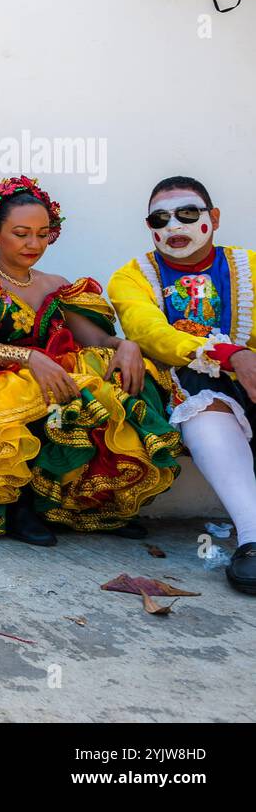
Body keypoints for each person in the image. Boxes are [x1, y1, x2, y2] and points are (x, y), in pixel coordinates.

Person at [0, 176, 182, 544]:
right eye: (21, 233)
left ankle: (83, 504)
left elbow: (96, 339)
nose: (33, 244)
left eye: (42, 233)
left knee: (110, 380)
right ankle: (20, 506)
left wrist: (126, 346)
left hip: (52, 381)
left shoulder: (56, 284)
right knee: (26, 389)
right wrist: (27, 359)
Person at [108, 176, 256, 594]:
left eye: (188, 214)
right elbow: (150, 333)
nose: (174, 227)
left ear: (214, 218)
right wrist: (230, 357)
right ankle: (252, 537)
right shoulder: (132, 277)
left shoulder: (250, 265)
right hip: (182, 384)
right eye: (160, 218)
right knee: (204, 404)